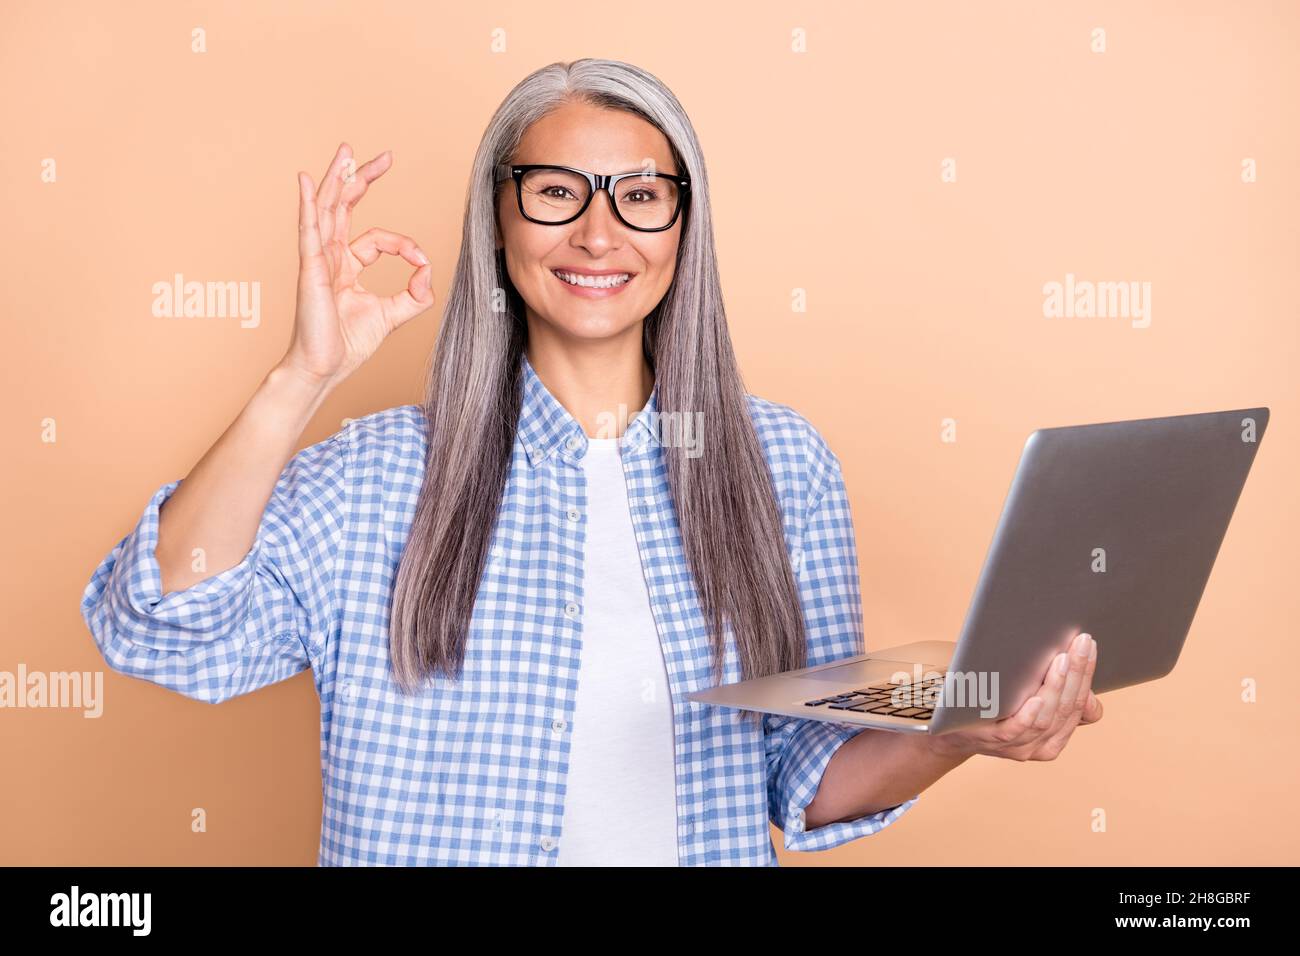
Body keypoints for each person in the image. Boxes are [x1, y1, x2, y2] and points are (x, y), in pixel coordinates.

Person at [80, 58, 1102, 867]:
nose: (599, 230)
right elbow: (162, 625)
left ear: (684, 226)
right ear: (498, 216)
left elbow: (807, 775)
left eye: (641, 194)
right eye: (556, 191)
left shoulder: (782, 466)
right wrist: (300, 375)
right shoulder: (374, 476)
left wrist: (961, 732)